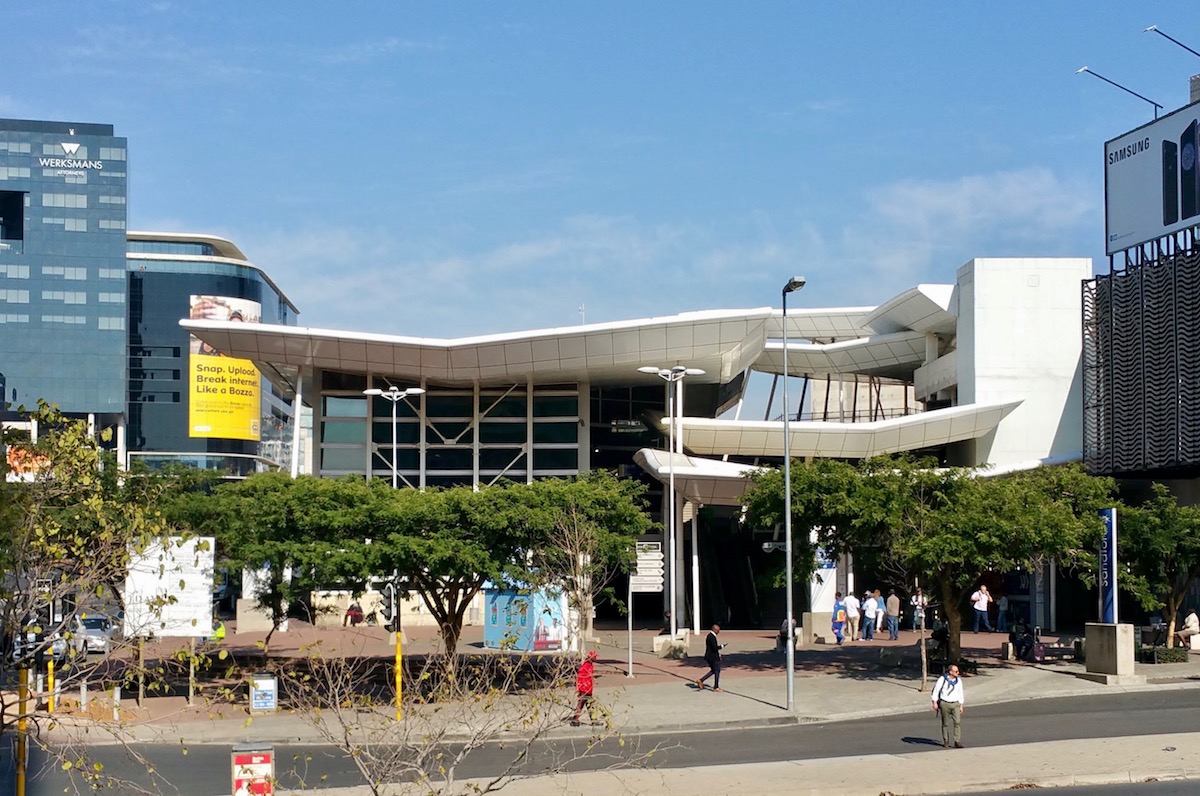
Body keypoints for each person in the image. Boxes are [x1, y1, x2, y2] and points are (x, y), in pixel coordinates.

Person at [931, 663, 966, 748]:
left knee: (957, 722)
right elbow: (936, 690)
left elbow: (960, 692)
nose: (958, 673)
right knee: (945, 723)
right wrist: (934, 702)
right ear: (950, 672)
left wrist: (961, 704)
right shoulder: (943, 679)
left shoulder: (958, 681)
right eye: (956, 671)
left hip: (955, 703)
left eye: (958, 671)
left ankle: (957, 741)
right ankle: (946, 740)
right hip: (945, 703)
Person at [571, 650, 598, 726]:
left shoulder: (589, 665)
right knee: (585, 704)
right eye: (594, 657)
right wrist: (580, 688)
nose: (596, 658)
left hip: (587, 689)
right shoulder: (586, 666)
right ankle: (592, 720)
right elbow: (580, 677)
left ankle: (576, 719)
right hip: (585, 689)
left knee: (583, 704)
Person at [696, 624, 725, 691]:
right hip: (713, 657)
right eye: (718, 630)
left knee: (713, 670)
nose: (718, 632)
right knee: (717, 670)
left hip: (709, 656)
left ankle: (701, 680)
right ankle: (716, 687)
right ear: (714, 630)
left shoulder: (709, 636)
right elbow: (714, 648)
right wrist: (721, 646)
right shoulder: (712, 637)